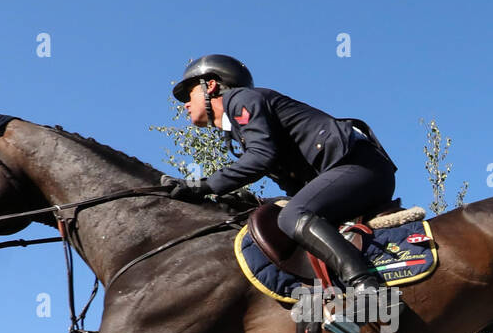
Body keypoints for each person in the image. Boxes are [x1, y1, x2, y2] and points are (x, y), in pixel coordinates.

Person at [162, 54, 398, 304]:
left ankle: (368, 287)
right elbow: (294, 186)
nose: (185, 105)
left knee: (293, 216)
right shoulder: (244, 127)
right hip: (354, 173)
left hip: (359, 166)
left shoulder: (241, 100)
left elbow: (260, 157)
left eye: (189, 95)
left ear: (210, 85)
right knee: (286, 215)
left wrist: (206, 186)